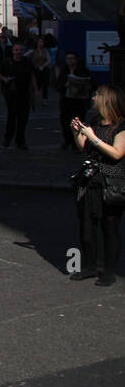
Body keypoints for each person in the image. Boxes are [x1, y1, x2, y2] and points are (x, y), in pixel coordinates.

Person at [70, 85, 125, 285]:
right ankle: (90, 267)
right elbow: (84, 147)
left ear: (106, 100)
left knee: (109, 227)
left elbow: (117, 153)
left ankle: (109, 272)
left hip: (110, 182)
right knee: (87, 225)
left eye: (96, 95)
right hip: (90, 180)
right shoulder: (95, 122)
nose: (93, 98)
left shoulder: (121, 127)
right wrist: (77, 133)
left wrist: (93, 137)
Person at [0, 42, 37, 149]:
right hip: (11, 93)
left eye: (20, 50)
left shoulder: (27, 62)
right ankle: (8, 138)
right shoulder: (7, 62)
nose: (19, 52)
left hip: (24, 93)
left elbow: (32, 75)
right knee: (12, 116)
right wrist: (5, 79)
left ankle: (20, 140)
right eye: (16, 50)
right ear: (13, 51)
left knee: (23, 118)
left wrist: (35, 89)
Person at [56, 52, 96, 150]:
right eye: (68, 58)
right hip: (66, 100)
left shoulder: (83, 70)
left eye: (72, 58)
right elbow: (58, 85)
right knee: (65, 122)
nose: (70, 61)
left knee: (78, 122)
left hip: (80, 101)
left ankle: (76, 143)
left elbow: (92, 83)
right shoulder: (64, 70)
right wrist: (64, 86)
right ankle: (67, 141)